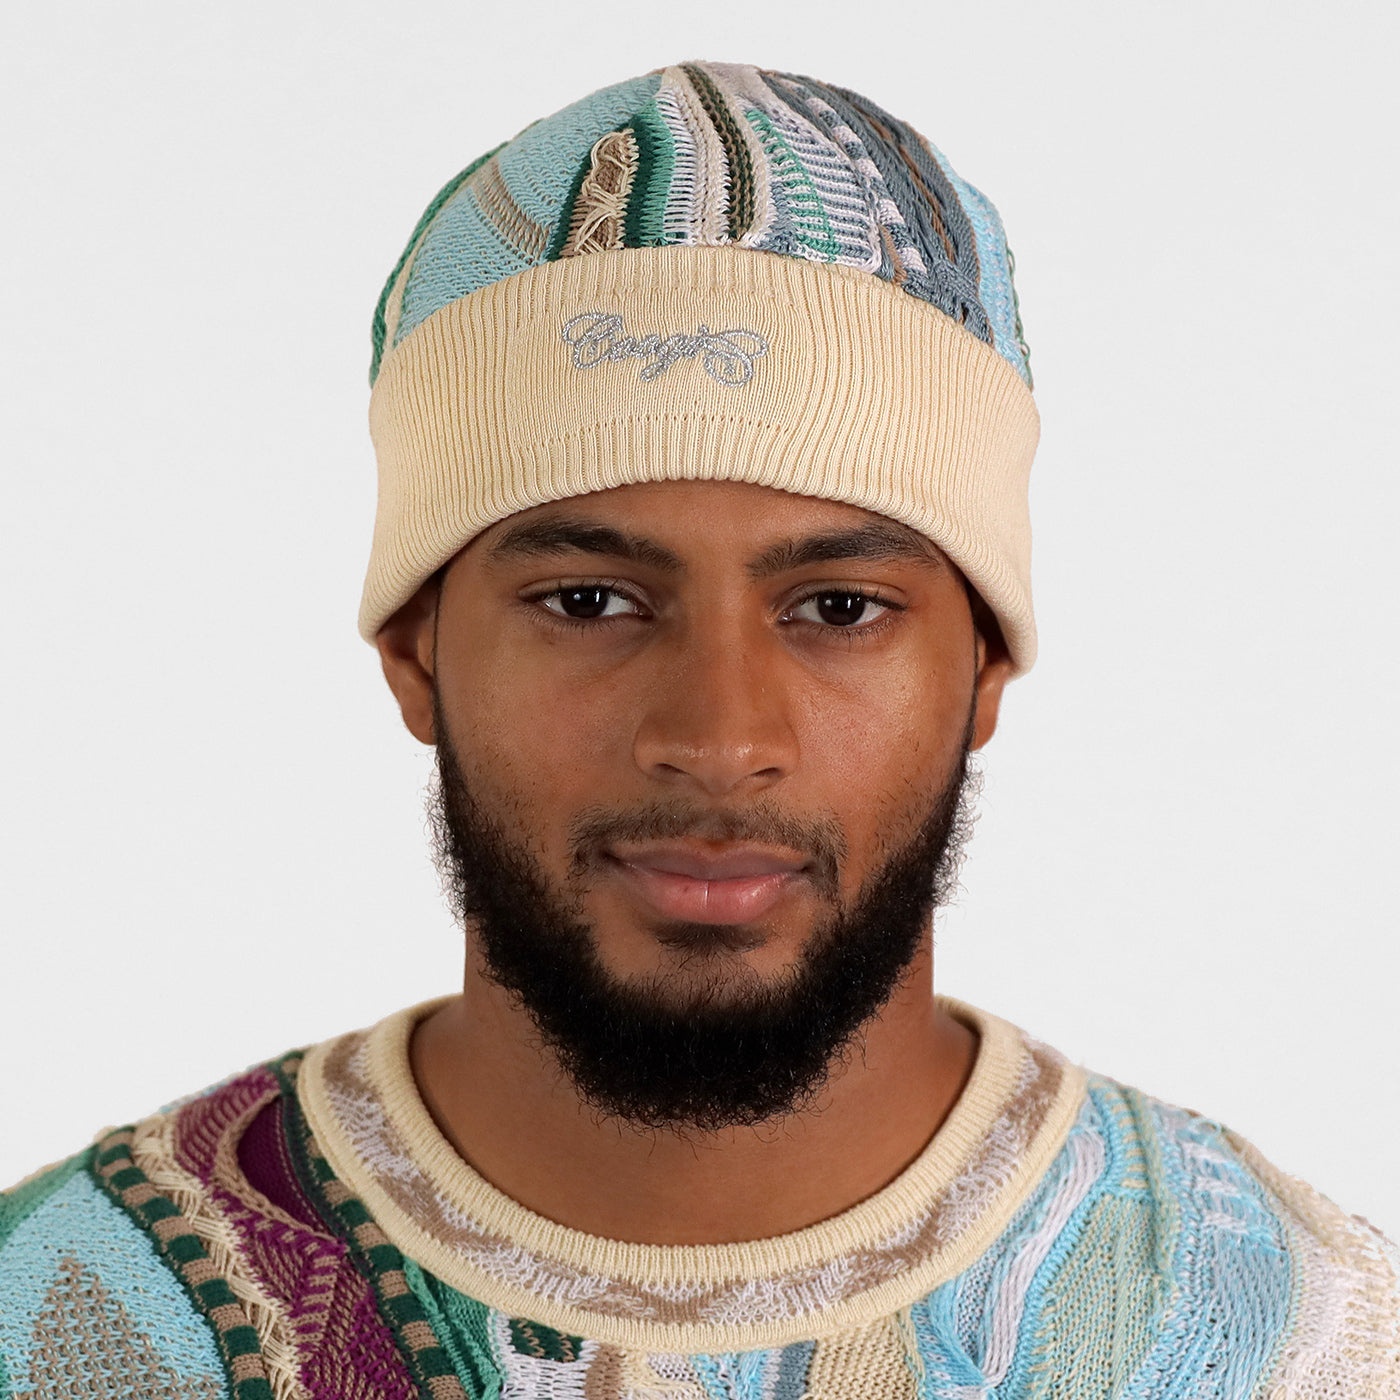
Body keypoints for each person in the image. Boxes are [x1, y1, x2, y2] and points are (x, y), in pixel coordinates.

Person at [1, 58, 1395, 1399]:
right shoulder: (59, 1320)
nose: (720, 738)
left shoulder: (1294, 1345)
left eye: (838, 607)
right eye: (590, 601)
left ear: (984, 664)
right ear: (416, 651)